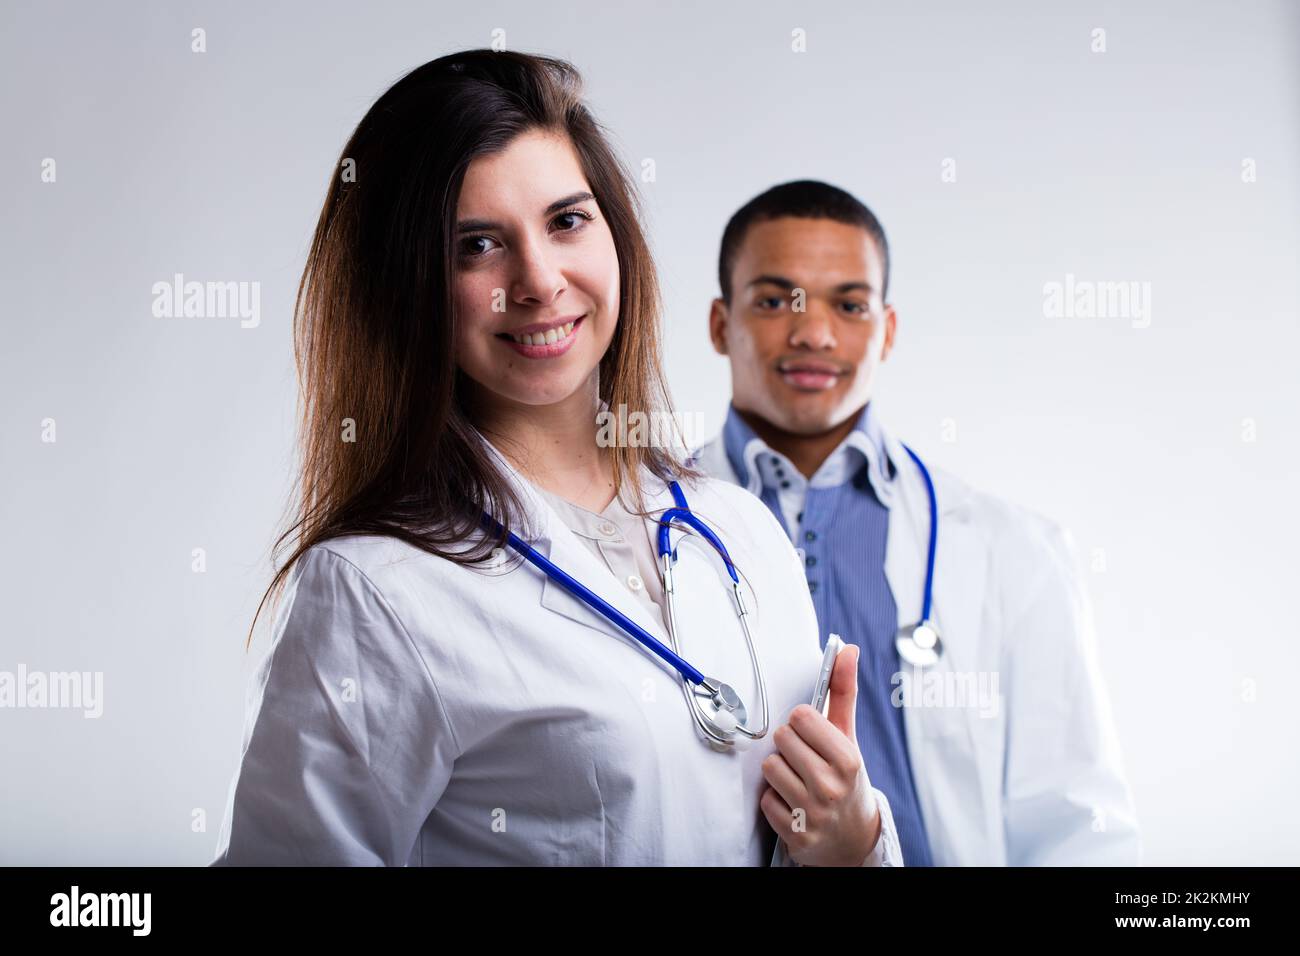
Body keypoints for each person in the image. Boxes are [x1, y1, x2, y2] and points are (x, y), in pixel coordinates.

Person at [211, 55, 903, 867]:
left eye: (567, 221)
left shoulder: (740, 531)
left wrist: (854, 843)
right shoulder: (375, 591)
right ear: (409, 286)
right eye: (476, 246)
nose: (537, 281)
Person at [691, 180, 1140, 865]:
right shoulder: (639, 528)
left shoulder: (1012, 552)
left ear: (888, 329)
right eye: (777, 300)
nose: (814, 332)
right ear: (721, 324)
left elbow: (1078, 831)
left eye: (849, 305)